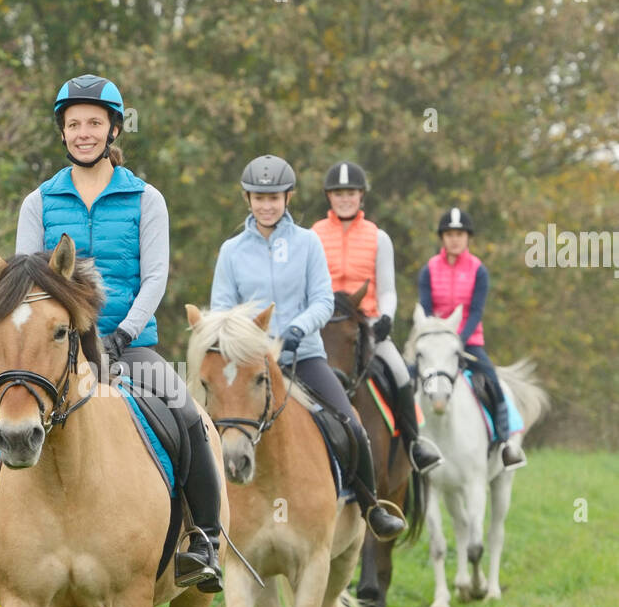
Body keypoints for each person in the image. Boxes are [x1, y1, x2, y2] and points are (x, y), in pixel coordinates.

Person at [0, 73, 224, 597]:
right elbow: (19, 282)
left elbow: (155, 276)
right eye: (74, 124)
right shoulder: (39, 201)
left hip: (127, 342)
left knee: (186, 416)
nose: (84, 132)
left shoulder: (146, 198)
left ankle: (203, 538)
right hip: (50, 350)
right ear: (62, 133)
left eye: (94, 123)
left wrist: (124, 333)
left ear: (114, 129)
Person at [209, 154, 405, 540]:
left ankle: (371, 507)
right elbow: (220, 309)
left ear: (288, 198)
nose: (267, 205)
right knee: (209, 426)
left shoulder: (307, 243)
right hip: (250, 362)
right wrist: (247, 341)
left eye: (275, 198)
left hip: (305, 355)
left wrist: (297, 330)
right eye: (259, 198)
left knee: (351, 422)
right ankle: (207, 522)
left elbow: (322, 300)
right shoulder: (231, 251)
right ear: (247, 198)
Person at [312, 161, 442, 475]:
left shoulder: (378, 237)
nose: (345, 199)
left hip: (365, 326)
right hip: (322, 326)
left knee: (399, 375)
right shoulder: (314, 235)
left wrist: (386, 318)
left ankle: (414, 445)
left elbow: (388, 290)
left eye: (351, 193)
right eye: (339, 193)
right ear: (330, 197)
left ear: (361, 196)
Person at [418, 206, 525, 468]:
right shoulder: (429, 269)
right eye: (450, 234)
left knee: (491, 380)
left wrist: (460, 341)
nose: (455, 238)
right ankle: (411, 441)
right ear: (442, 237)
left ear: (468, 238)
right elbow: (427, 309)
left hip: (469, 341)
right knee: (409, 377)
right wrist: (439, 340)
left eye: (460, 234)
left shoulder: (478, 270)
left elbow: (476, 311)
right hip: (435, 342)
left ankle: (504, 443)